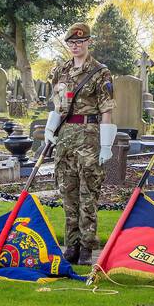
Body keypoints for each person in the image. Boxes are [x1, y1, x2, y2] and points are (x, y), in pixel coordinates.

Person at [45, 22, 117, 265]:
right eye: (72, 43)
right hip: (65, 138)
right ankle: (71, 244)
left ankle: (87, 246)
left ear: (88, 42)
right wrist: (49, 129)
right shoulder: (61, 70)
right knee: (67, 192)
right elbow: (58, 105)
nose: (76, 46)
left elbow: (106, 109)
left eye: (80, 41)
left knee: (89, 193)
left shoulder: (100, 72)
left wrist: (106, 145)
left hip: (89, 137)